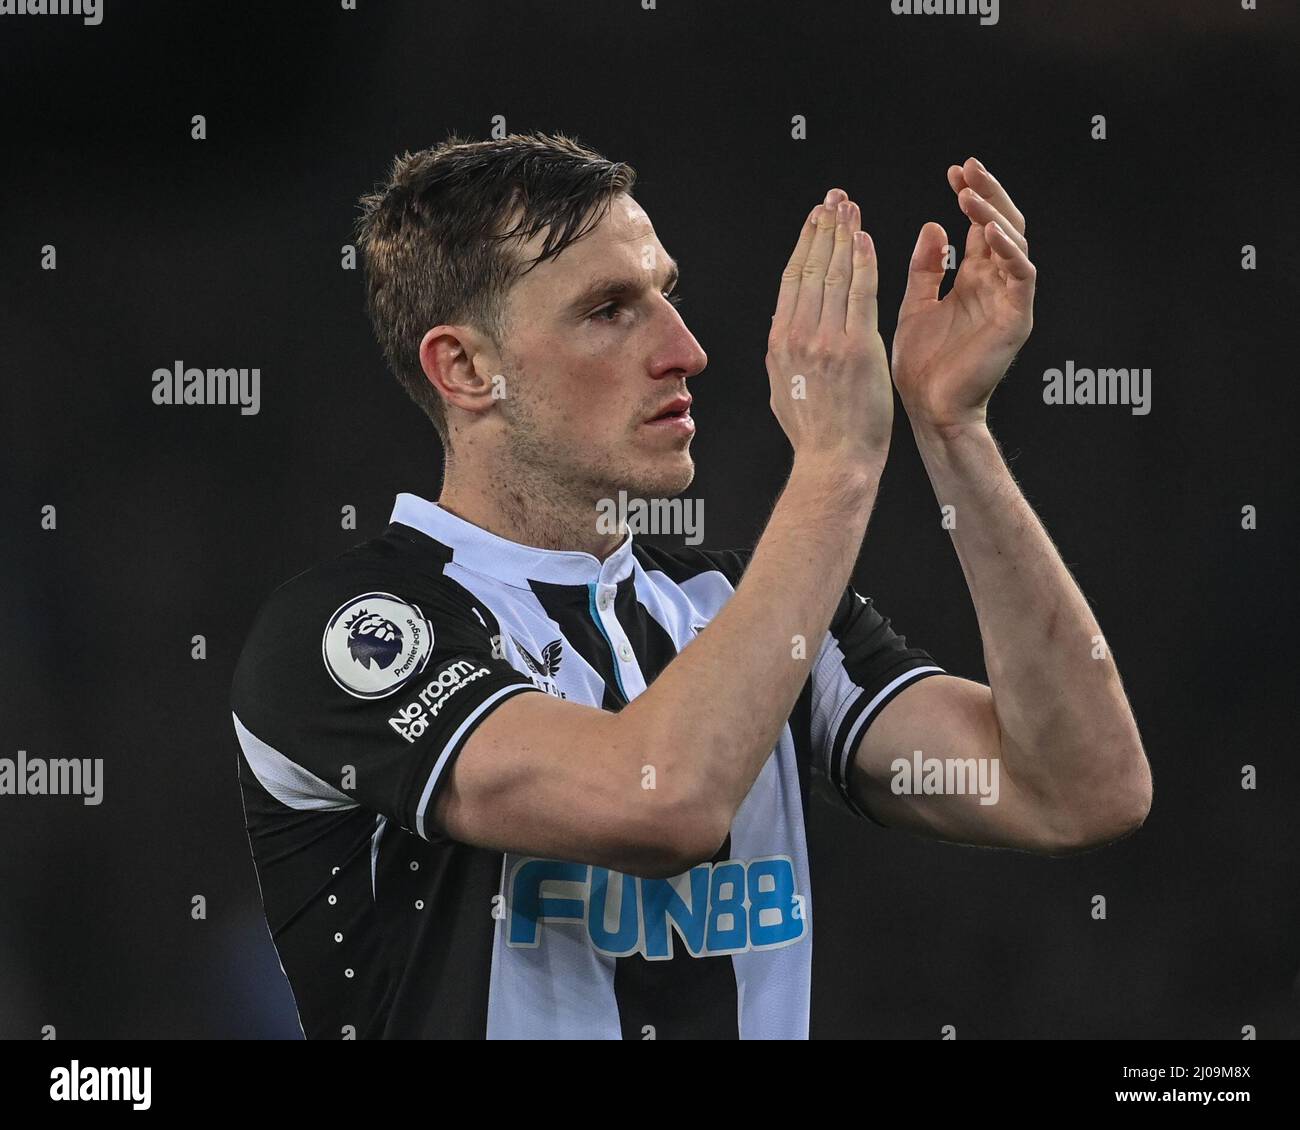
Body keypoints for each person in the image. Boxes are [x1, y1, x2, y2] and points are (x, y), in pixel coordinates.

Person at [230, 131, 1151, 1039]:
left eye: (667, 295)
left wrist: (955, 430)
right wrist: (835, 467)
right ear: (468, 369)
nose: (686, 349)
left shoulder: (741, 611)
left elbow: (1079, 788)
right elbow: (659, 801)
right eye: (608, 310)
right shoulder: (352, 632)